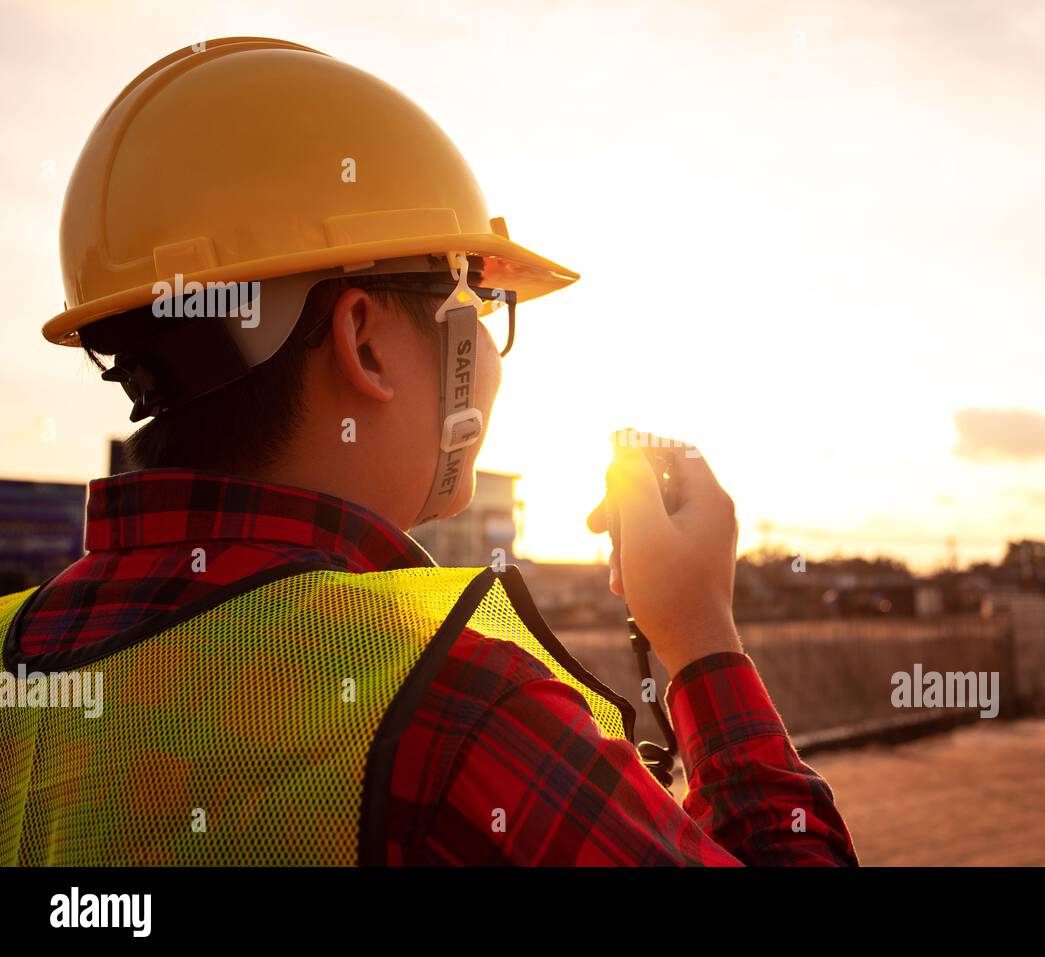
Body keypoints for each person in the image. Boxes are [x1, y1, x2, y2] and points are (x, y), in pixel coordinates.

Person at [0, 37, 856, 867]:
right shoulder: (459, 714)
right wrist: (702, 637)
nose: (489, 350)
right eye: (477, 300)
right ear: (364, 340)